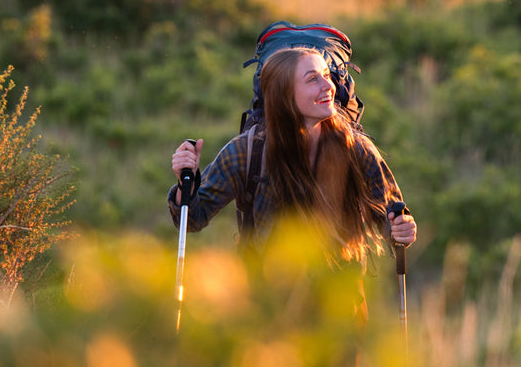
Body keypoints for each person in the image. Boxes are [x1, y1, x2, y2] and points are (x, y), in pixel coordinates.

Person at [168, 46, 417, 269]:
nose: (328, 86)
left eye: (327, 76)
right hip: (267, 297)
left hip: (340, 296)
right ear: (284, 95)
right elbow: (192, 220)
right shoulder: (246, 151)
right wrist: (185, 183)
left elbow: (390, 215)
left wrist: (400, 229)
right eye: (312, 79)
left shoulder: (354, 148)